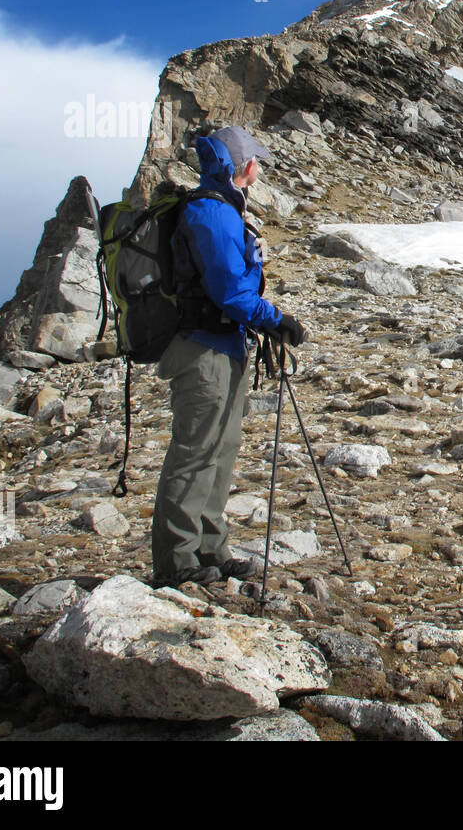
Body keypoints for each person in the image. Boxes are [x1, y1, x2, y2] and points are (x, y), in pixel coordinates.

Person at [150, 125, 307, 587]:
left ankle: (209, 551)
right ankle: (176, 563)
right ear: (246, 166)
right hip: (203, 350)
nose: (258, 166)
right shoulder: (212, 213)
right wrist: (275, 317)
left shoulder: (224, 211)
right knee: (196, 452)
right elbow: (229, 292)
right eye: (255, 159)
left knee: (219, 451)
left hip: (223, 346)